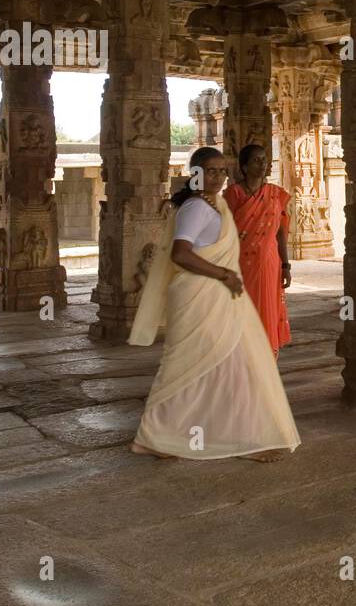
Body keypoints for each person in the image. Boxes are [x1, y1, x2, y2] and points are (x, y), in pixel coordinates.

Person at [128, 146, 300, 462]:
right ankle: (170, 437)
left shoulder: (215, 204)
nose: (218, 177)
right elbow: (180, 254)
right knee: (196, 365)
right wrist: (224, 273)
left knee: (223, 366)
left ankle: (195, 437)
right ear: (195, 174)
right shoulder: (196, 208)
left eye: (222, 170)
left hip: (215, 294)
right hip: (200, 293)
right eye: (210, 170)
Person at [223, 143, 292, 353]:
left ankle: (266, 360)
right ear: (244, 167)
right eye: (256, 160)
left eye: (264, 159)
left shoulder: (275, 194)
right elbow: (224, 231)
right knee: (243, 309)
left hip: (270, 262)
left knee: (268, 309)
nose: (262, 164)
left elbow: (280, 233)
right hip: (240, 263)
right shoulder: (233, 194)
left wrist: (286, 265)